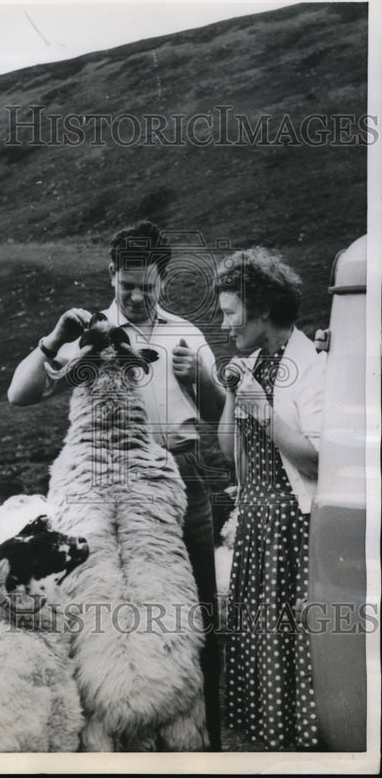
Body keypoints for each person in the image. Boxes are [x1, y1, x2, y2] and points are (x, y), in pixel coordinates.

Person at [8, 220, 225, 750]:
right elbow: (20, 393)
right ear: (111, 274)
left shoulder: (185, 337)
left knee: (190, 614)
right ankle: (109, 727)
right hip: (99, 485)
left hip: (173, 484)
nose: (134, 296)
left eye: (146, 288)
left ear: (165, 282)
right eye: (125, 285)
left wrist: (199, 377)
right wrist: (54, 340)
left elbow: (223, 416)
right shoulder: (88, 332)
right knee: (98, 606)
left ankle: (201, 737)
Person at [215, 247, 326, 750]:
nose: (224, 324)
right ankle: (267, 729)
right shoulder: (255, 362)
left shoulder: (311, 366)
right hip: (257, 517)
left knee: (291, 628)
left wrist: (260, 409)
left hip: (291, 524)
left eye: (229, 311)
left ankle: (300, 734)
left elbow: (317, 459)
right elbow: (227, 450)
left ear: (260, 308)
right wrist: (236, 395)